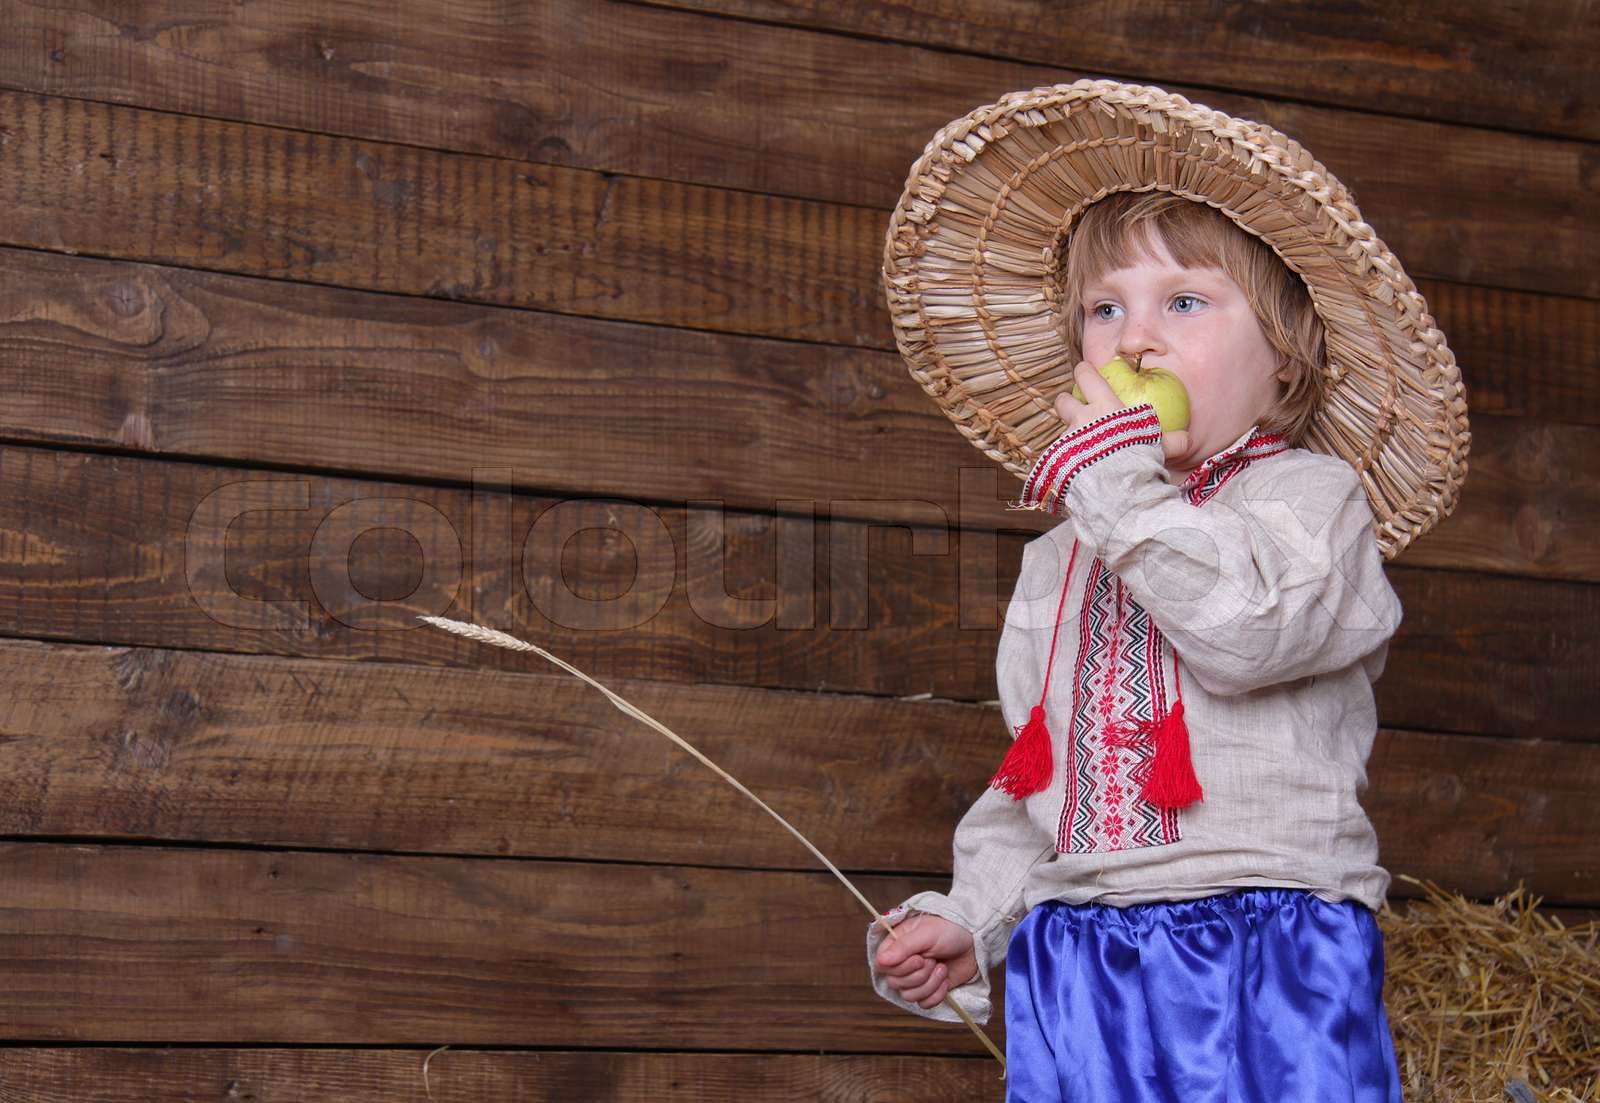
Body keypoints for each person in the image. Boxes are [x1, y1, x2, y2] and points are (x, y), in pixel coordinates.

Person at [869, 80, 1470, 1102]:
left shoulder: (1310, 502)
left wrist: (1115, 492)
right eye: (1104, 311)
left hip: (1262, 937)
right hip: (1079, 960)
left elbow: (1247, 631)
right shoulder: (1061, 557)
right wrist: (974, 917)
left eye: (1182, 302)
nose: (1133, 341)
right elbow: (1039, 775)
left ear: (1285, 360)